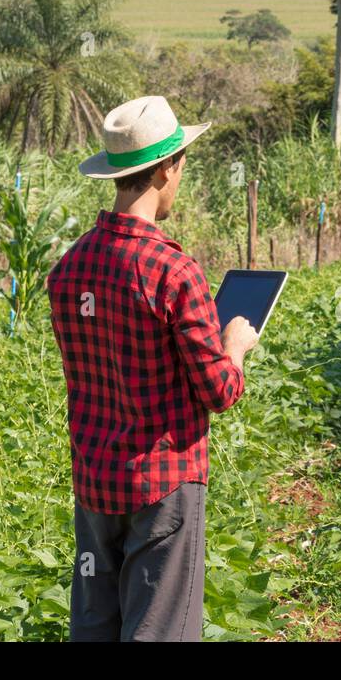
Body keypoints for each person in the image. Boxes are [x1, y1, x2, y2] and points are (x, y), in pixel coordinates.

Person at [47, 95, 259, 641]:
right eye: (181, 165)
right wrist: (234, 343)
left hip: (95, 479)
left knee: (95, 625)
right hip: (162, 484)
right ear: (166, 169)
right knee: (159, 630)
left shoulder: (69, 267)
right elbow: (218, 391)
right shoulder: (172, 269)